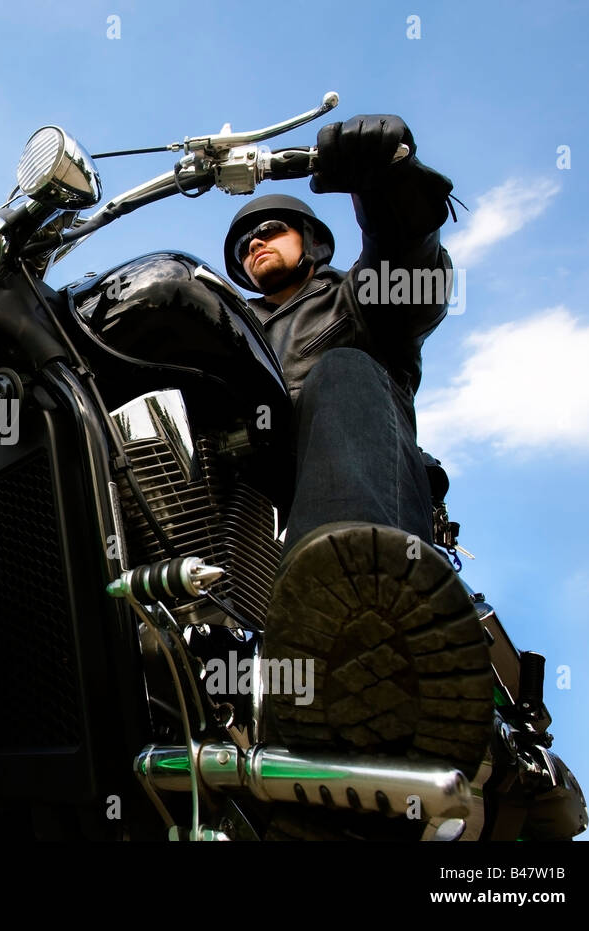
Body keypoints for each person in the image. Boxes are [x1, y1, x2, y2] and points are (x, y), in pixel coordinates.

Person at [225, 115, 492, 773]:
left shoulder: (353, 299)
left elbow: (408, 271)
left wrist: (387, 184)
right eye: (244, 243)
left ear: (311, 242)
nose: (256, 242)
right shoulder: (226, 335)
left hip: (345, 482)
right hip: (242, 526)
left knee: (342, 369)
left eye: (271, 230)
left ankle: (351, 614)